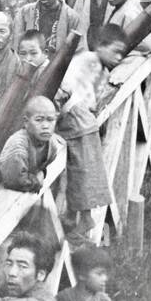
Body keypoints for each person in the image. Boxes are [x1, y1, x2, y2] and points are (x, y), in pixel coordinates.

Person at [55, 25, 127, 243]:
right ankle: (79, 216)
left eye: (121, 53)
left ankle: (81, 216)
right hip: (73, 115)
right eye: (115, 51)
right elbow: (68, 86)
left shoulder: (100, 68)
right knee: (81, 166)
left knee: (86, 167)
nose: (118, 57)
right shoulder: (86, 60)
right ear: (100, 46)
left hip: (82, 121)